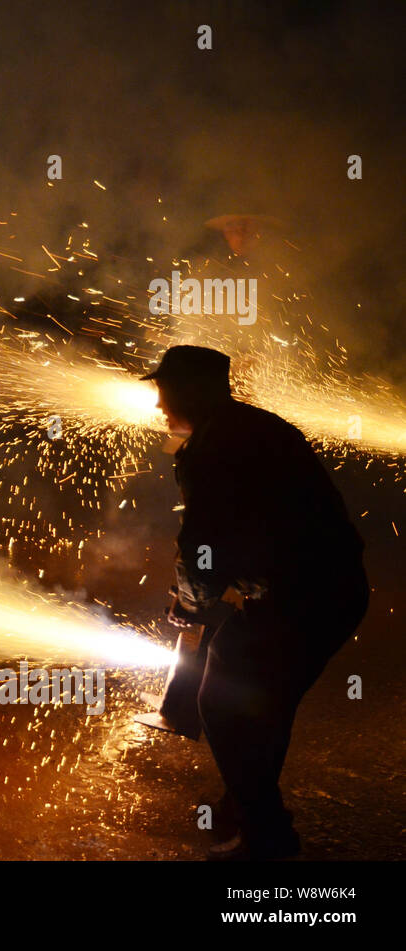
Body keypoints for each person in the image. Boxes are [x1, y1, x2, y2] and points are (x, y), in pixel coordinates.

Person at [144, 345, 368, 860]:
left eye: (165, 391)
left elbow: (204, 544)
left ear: (193, 391)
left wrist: (190, 604)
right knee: (264, 702)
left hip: (301, 597)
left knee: (220, 701)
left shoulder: (211, 449)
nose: (159, 406)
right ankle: (246, 804)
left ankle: (269, 839)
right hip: (333, 588)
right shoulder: (256, 426)